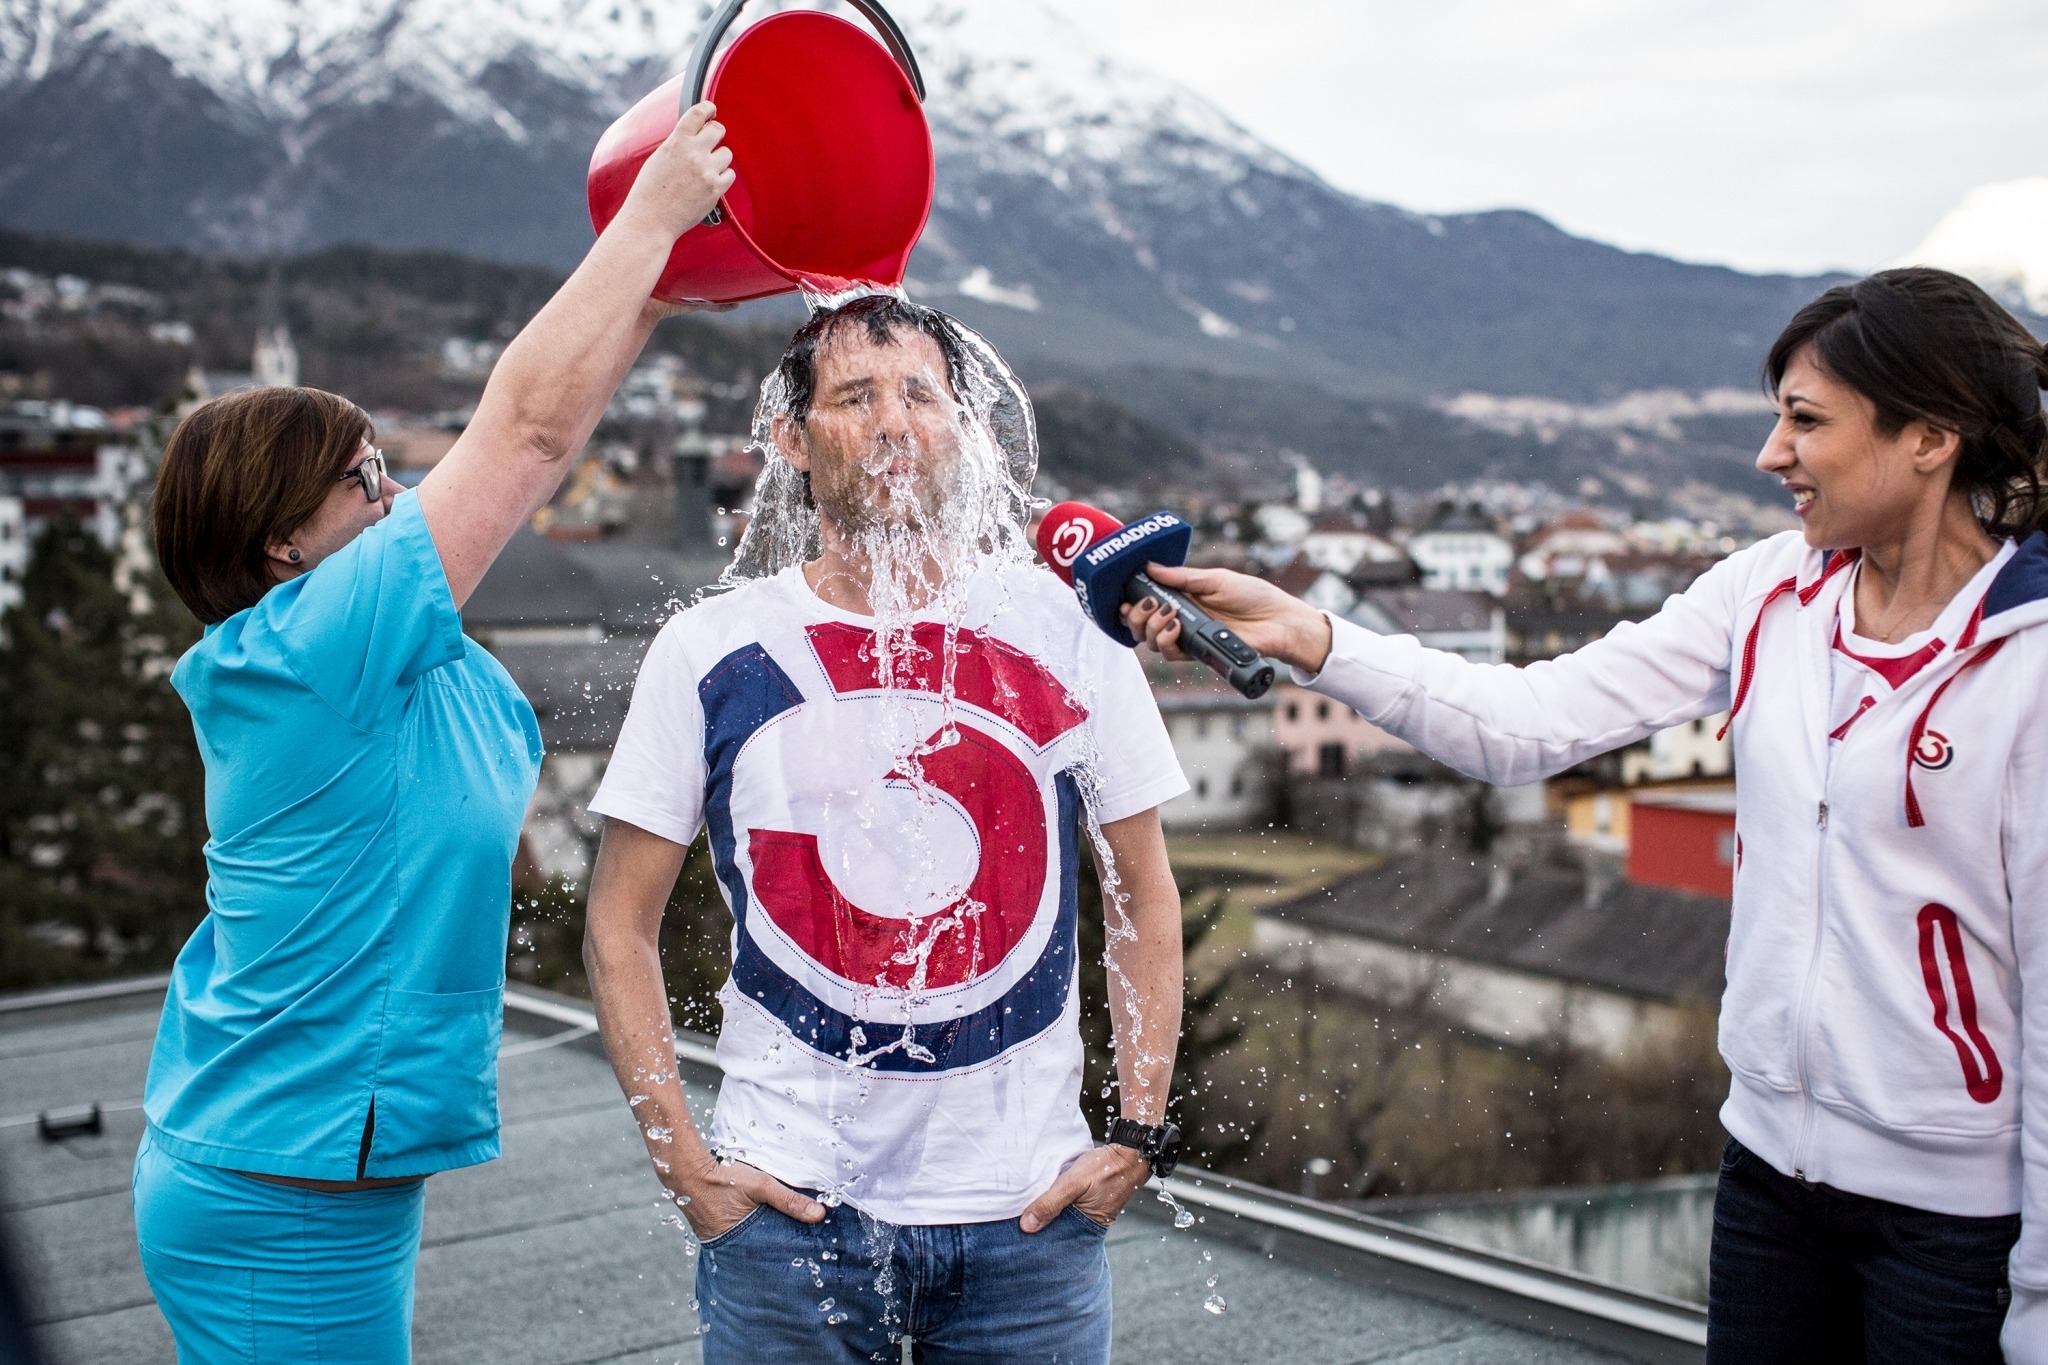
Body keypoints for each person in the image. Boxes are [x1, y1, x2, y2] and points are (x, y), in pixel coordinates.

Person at [1124, 267, 2048, 1365]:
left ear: (1928, 438)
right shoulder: (1767, 592)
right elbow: (1528, 722)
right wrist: (1317, 636)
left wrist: (2036, 1302)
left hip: (1952, 1223)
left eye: (1804, 422)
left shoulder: (2026, 663)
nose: (1769, 454)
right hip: (1766, 1181)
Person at [134, 105, 735, 1364]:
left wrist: (657, 294)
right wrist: (650, 215)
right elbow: (520, 434)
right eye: (360, 479)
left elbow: (535, 440)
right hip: (272, 1188)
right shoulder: (306, 651)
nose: (395, 491)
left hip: (317, 1162)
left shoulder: (389, 645)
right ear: (278, 544)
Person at [582, 295, 1190, 1364]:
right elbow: (617, 924)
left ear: (963, 427)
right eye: (855, 398)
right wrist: (684, 1163)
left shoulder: (1062, 628)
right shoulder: (709, 647)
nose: (894, 422)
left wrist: (1136, 1130)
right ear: (791, 438)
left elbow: (1138, 888)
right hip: (785, 1216)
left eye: (920, 393)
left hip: (1027, 1219)